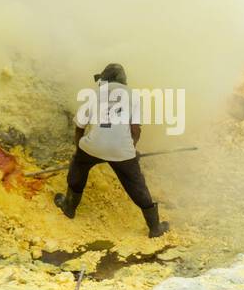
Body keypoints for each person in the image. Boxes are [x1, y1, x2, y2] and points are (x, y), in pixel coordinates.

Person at [54, 62, 170, 237]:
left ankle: (69, 207)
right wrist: (130, 151)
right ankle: (154, 228)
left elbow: (79, 126)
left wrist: (80, 152)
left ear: (105, 80)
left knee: (78, 168)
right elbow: (135, 130)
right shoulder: (134, 97)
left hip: (92, 147)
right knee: (136, 185)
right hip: (122, 151)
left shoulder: (93, 94)